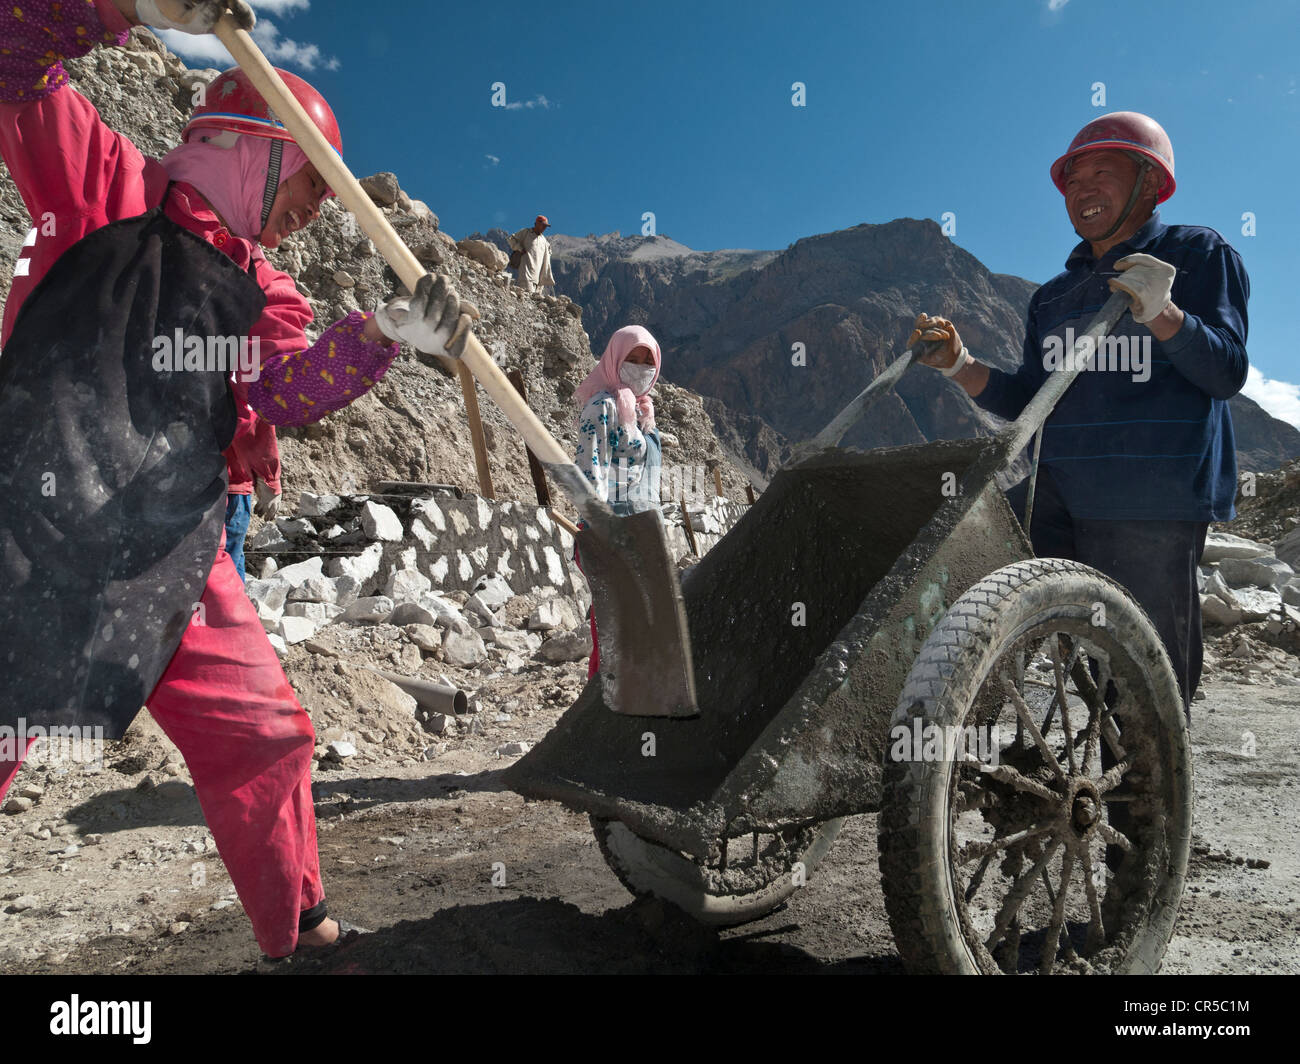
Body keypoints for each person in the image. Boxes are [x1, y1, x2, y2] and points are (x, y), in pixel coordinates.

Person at [0, 0, 479, 961]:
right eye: (307, 184)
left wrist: (383, 336)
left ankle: (302, 935)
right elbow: (14, 53)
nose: (312, 215)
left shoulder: (265, 288)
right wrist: (123, 6)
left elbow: (287, 387)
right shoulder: (104, 181)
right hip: (32, 525)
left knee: (269, 734)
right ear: (255, 144)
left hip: (167, 545)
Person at [909, 111, 1249, 716]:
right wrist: (959, 364)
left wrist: (1163, 312)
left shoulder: (1196, 253)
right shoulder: (1054, 296)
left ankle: (1143, 806)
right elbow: (1031, 402)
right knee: (961, 581)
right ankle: (972, 756)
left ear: (1150, 181)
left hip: (1153, 498)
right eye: (1072, 180)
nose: (1082, 189)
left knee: (1139, 682)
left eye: (1102, 172)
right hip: (1057, 491)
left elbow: (1224, 372)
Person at [571, 325, 664, 677]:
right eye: (632, 358)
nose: (641, 368)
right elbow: (589, 473)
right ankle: (600, 712)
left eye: (647, 360)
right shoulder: (603, 407)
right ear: (614, 358)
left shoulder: (643, 413)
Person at [225, 402, 282, 583]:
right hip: (229, 487)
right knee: (227, 562)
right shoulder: (237, 376)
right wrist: (269, 478)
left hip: (173, 486)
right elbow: (253, 420)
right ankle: (228, 610)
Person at [509, 214, 555, 294]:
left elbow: (548, 254)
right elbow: (511, 239)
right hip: (526, 273)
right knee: (525, 296)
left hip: (538, 278)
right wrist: (519, 248)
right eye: (543, 225)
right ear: (536, 224)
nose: (544, 228)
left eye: (545, 226)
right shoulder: (526, 232)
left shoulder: (544, 241)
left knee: (533, 301)